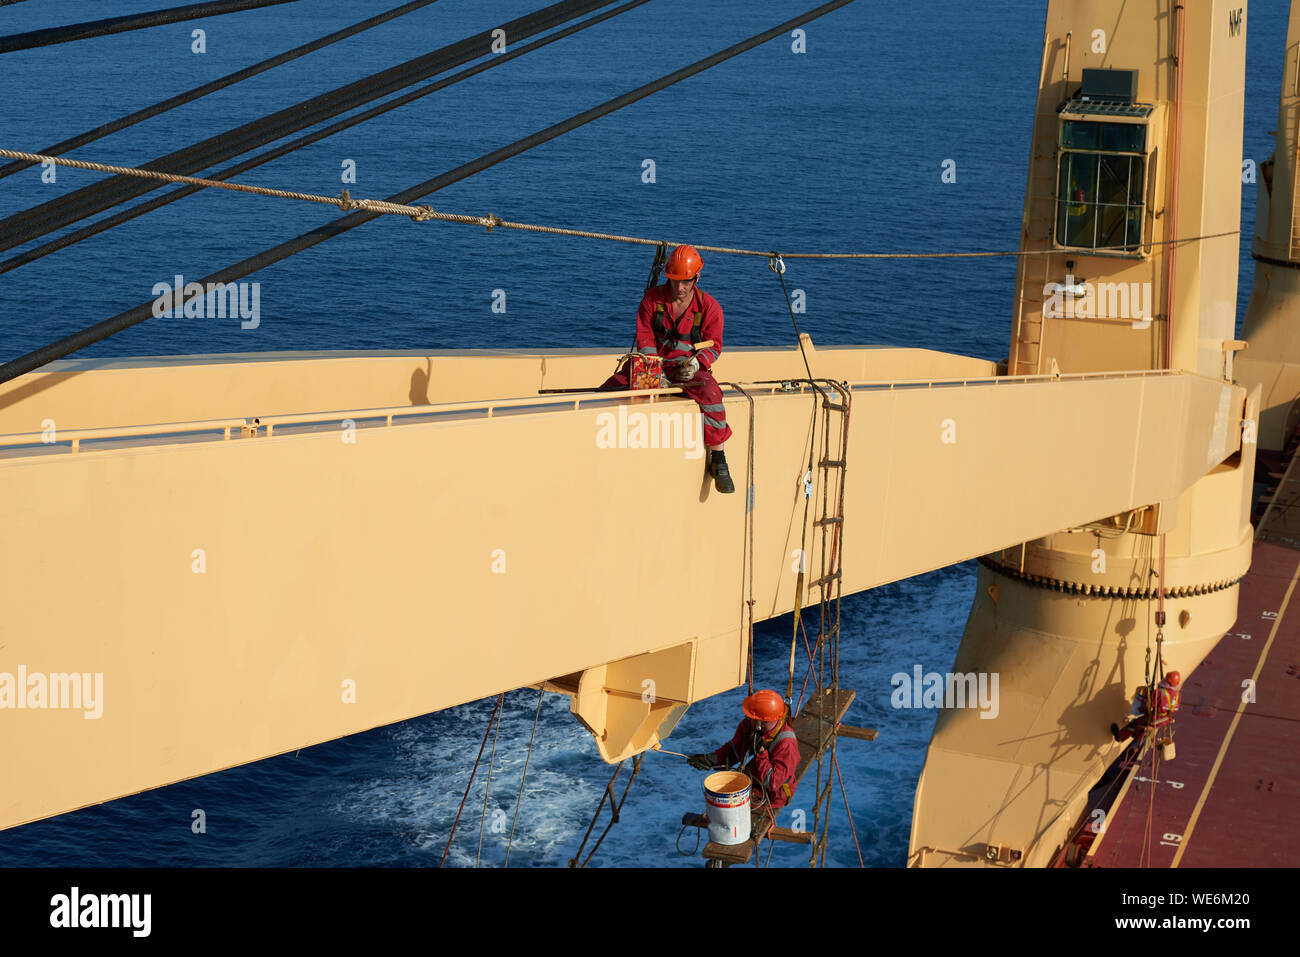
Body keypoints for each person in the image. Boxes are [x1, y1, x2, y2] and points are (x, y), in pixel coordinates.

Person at [600, 244, 735, 493]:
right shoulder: (651, 300)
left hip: (688, 369)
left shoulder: (710, 308)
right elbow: (645, 339)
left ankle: (719, 459)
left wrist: (696, 363)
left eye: (685, 282)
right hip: (654, 365)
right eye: (674, 281)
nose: (680, 288)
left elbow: (714, 346)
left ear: (697, 278)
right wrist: (653, 371)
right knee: (613, 386)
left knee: (711, 395)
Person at [688, 689, 800, 810]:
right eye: (752, 718)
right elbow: (735, 749)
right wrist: (712, 759)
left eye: (756, 719)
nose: (752, 721)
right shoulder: (750, 725)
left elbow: (772, 782)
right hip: (753, 780)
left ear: (765, 721)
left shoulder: (786, 744)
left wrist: (761, 754)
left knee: (726, 810)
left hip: (772, 795)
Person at [1112, 671, 1181, 742]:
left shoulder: (1159, 693)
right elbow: (1175, 709)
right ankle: (1136, 739)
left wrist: (1139, 708)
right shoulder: (1178, 695)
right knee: (1143, 726)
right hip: (1165, 720)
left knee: (1135, 724)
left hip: (1154, 719)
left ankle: (1119, 737)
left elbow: (1147, 705)